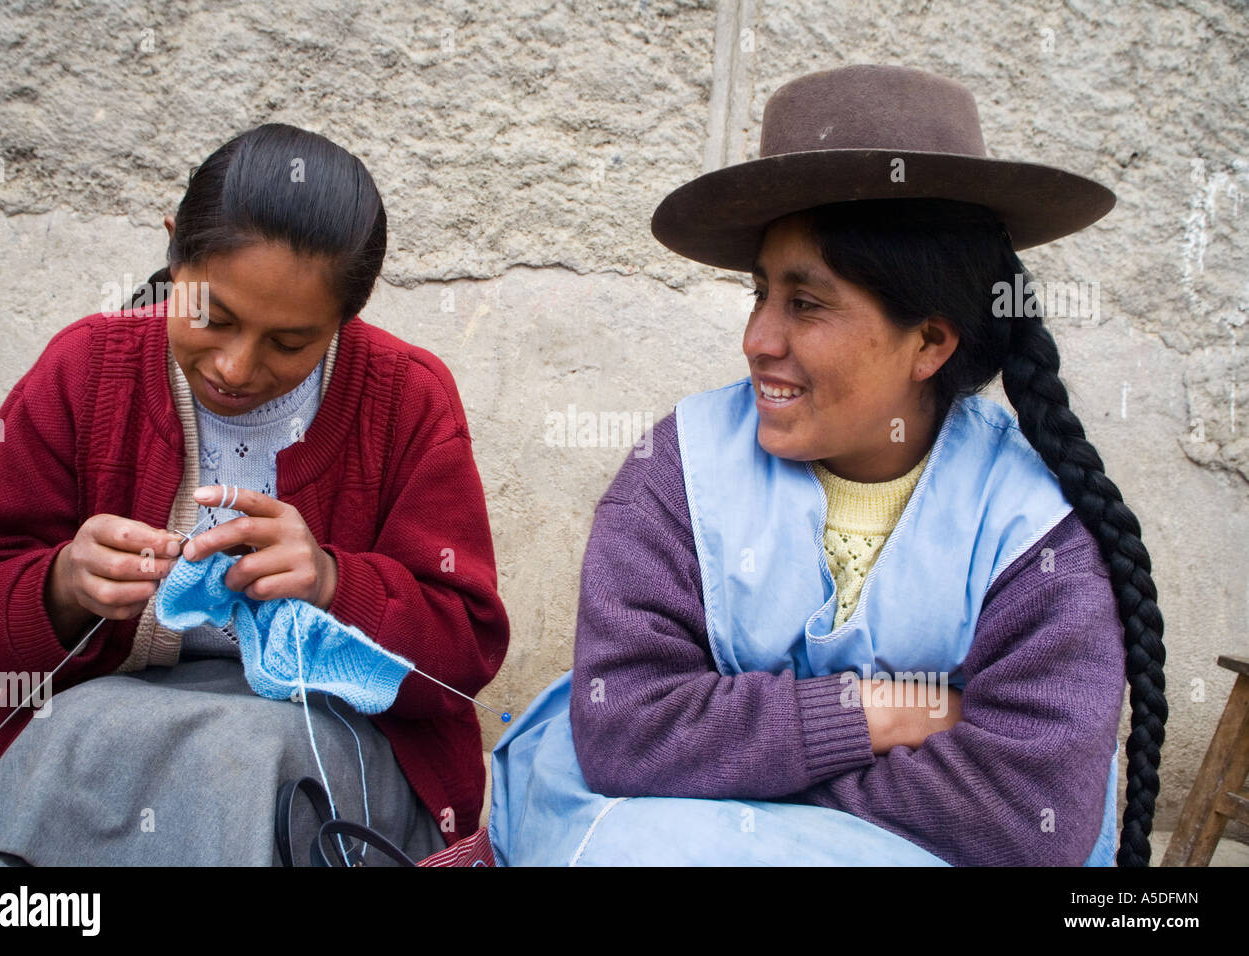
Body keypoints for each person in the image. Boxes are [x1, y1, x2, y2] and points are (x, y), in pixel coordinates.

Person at [489, 64, 1166, 866]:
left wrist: (729, 765)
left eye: (805, 304)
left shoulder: (1034, 530)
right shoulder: (679, 472)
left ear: (930, 342)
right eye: (760, 294)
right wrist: (879, 712)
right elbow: (626, 725)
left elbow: (1024, 810)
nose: (758, 339)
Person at [0, 123, 510, 865]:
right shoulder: (86, 369)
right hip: (96, 732)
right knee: (76, 737)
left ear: (348, 316)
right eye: (212, 316)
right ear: (176, 249)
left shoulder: (408, 399)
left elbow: (462, 656)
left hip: (321, 740)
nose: (237, 367)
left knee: (241, 758)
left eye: (288, 343)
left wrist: (335, 584)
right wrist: (63, 586)